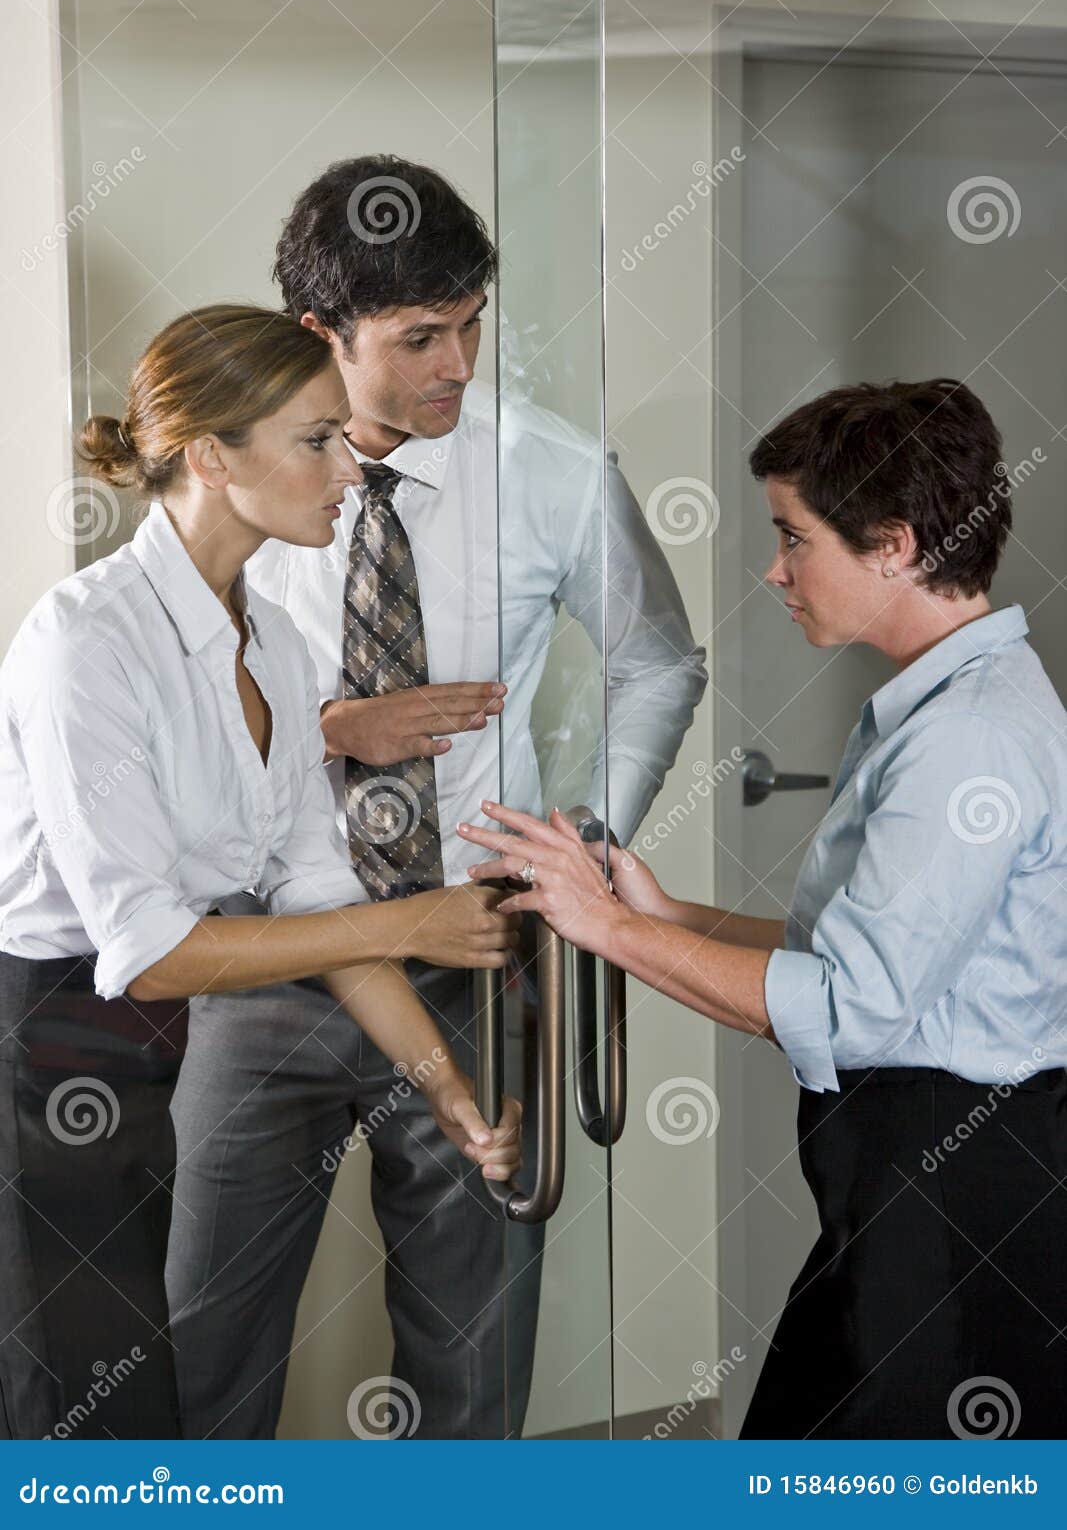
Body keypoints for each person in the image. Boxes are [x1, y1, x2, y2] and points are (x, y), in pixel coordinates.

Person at [166, 155, 709, 1439]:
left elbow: (656, 661)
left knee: (471, 1365)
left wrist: (592, 832)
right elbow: (164, 704)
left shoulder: (553, 472)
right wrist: (332, 729)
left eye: (471, 324)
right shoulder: (229, 477)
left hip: (472, 954)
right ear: (320, 335)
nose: (458, 364)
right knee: (201, 1352)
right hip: (266, 960)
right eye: (419, 338)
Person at [459, 377, 1067, 1439]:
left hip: (956, 1203)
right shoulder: (945, 706)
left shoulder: (968, 739)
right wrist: (663, 913)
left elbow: (846, 1011)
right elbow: (854, 958)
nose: (772, 570)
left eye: (793, 540)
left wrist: (608, 930)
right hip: (909, 1181)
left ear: (891, 544)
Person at [0, 304, 520, 1440]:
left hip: (142, 1067)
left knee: (134, 1414)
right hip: (37, 1060)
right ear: (210, 456)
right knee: (81, 1419)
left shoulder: (275, 649)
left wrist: (442, 1083)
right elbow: (150, 951)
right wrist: (412, 924)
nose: (349, 467)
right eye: (316, 441)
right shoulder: (84, 641)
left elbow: (313, 887)